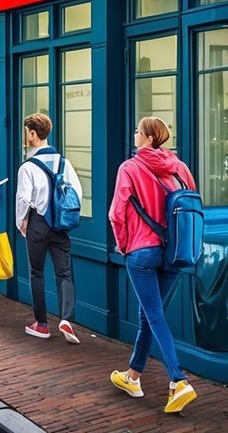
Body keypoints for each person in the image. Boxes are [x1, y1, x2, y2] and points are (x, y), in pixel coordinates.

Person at [107, 116, 198, 413]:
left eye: (137, 131)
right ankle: (133, 376)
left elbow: (116, 214)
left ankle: (178, 380)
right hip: (175, 253)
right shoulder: (181, 168)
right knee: (149, 315)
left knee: (154, 316)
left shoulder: (129, 168)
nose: (134, 134)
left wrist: (122, 244)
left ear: (148, 138)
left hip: (142, 252)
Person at [15, 112, 83, 343]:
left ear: (33, 134)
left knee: (37, 272)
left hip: (38, 222)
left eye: (27, 133)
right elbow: (77, 193)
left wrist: (21, 223)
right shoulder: (65, 162)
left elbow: (23, 199)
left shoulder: (27, 166)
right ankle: (66, 319)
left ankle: (41, 324)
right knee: (64, 272)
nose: (26, 136)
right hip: (60, 225)